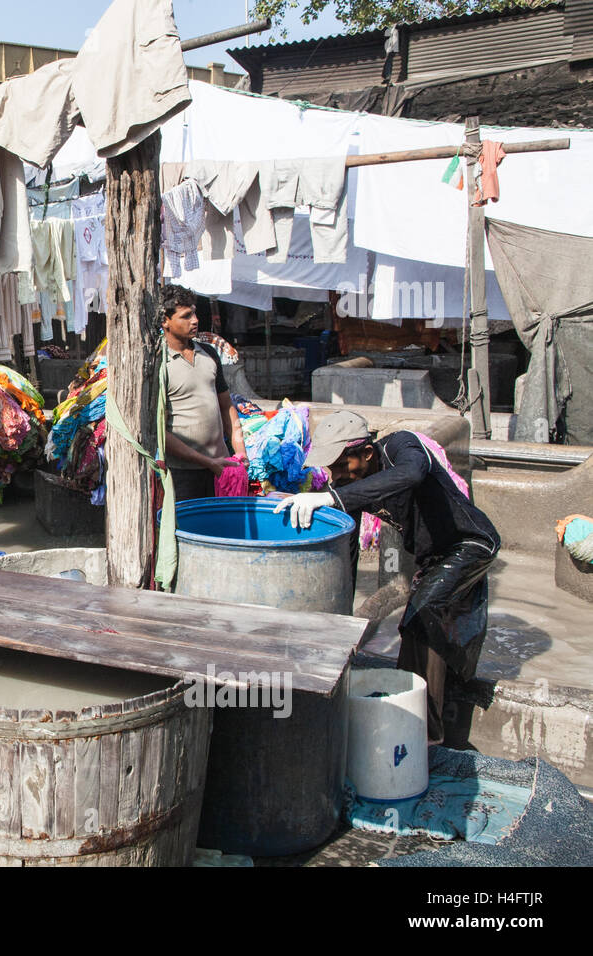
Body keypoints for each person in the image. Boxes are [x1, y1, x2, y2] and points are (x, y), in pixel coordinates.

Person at [274, 410, 501, 746]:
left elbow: (413, 474)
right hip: (432, 558)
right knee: (422, 627)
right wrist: (341, 622)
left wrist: (333, 497)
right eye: (330, 468)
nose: (334, 475)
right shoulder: (348, 487)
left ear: (365, 453)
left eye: (340, 465)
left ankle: (425, 734)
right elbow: (347, 554)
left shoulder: (400, 447)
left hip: (471, 543)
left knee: (420, 616)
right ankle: (413, 711)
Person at [159, 284, 246, 501]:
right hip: (183, 473)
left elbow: (226, 406)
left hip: (221, 466)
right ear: (165, 321)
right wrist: (207, 462)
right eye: (186, 316)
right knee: (189, 532)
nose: (195, 320)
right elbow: (159, 429)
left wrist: (240, 450)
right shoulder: (158, 364)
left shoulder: (208, 354)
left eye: (195, 313)